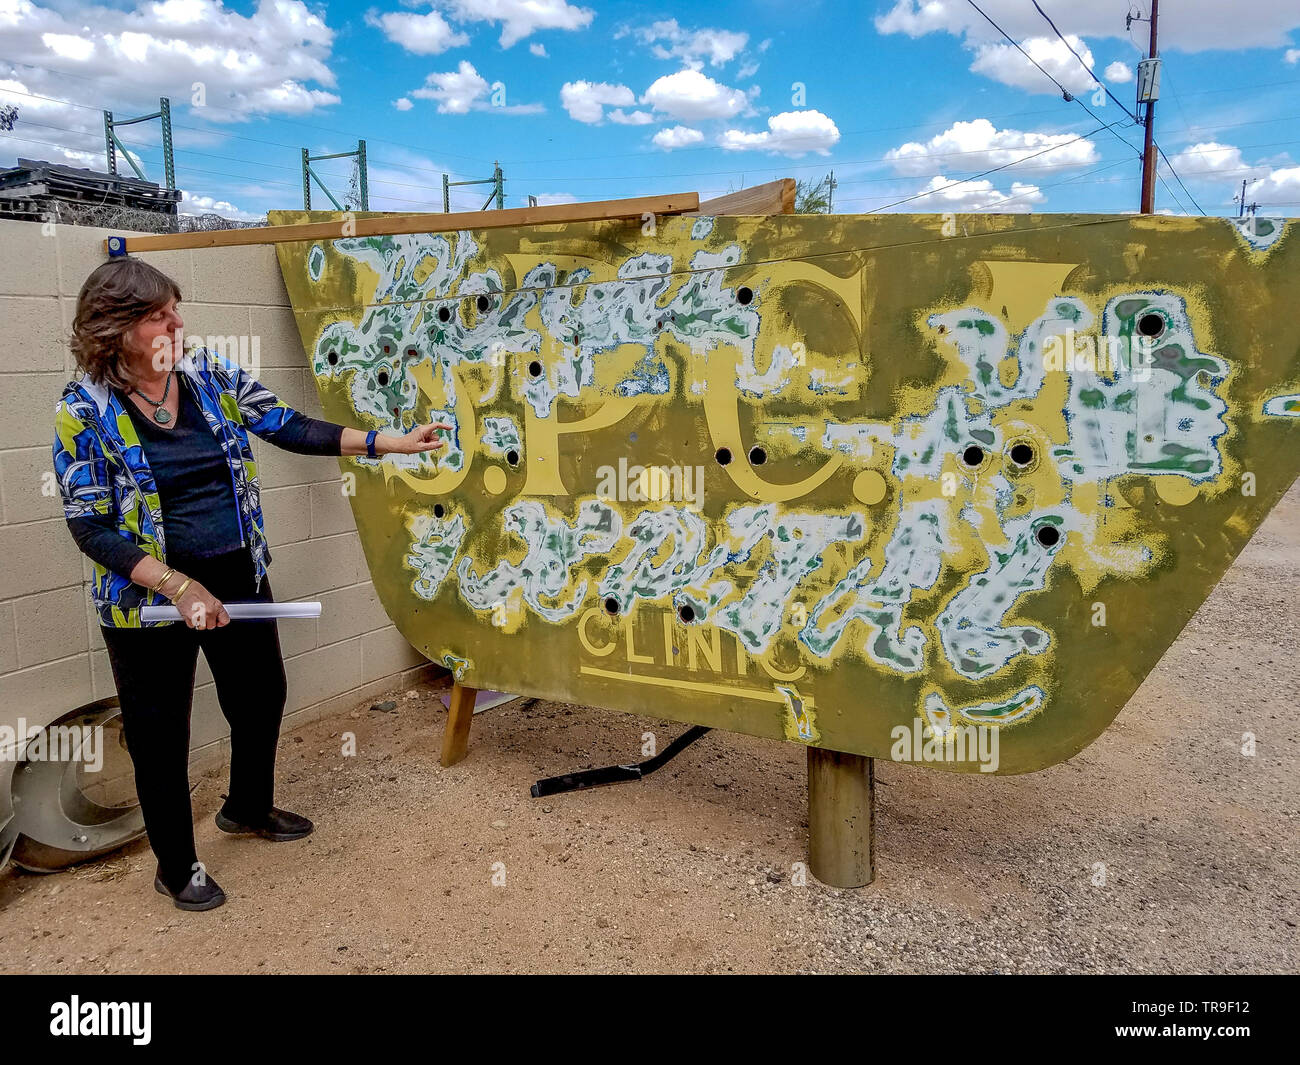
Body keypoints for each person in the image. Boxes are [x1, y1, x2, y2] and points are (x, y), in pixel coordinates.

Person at [52, 257, 450, 911]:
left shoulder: (205, 374)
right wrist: (180, 588)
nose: (177, 321)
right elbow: (92, 529)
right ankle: (177, 867)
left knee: (261, 694)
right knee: (160, 735)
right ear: (115, 328)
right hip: (148, 598)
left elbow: (286, 424)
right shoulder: (82, 411)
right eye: (158, 313)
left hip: (237, 570)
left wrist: (389, 443)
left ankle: (247, 807)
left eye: (176, 307)